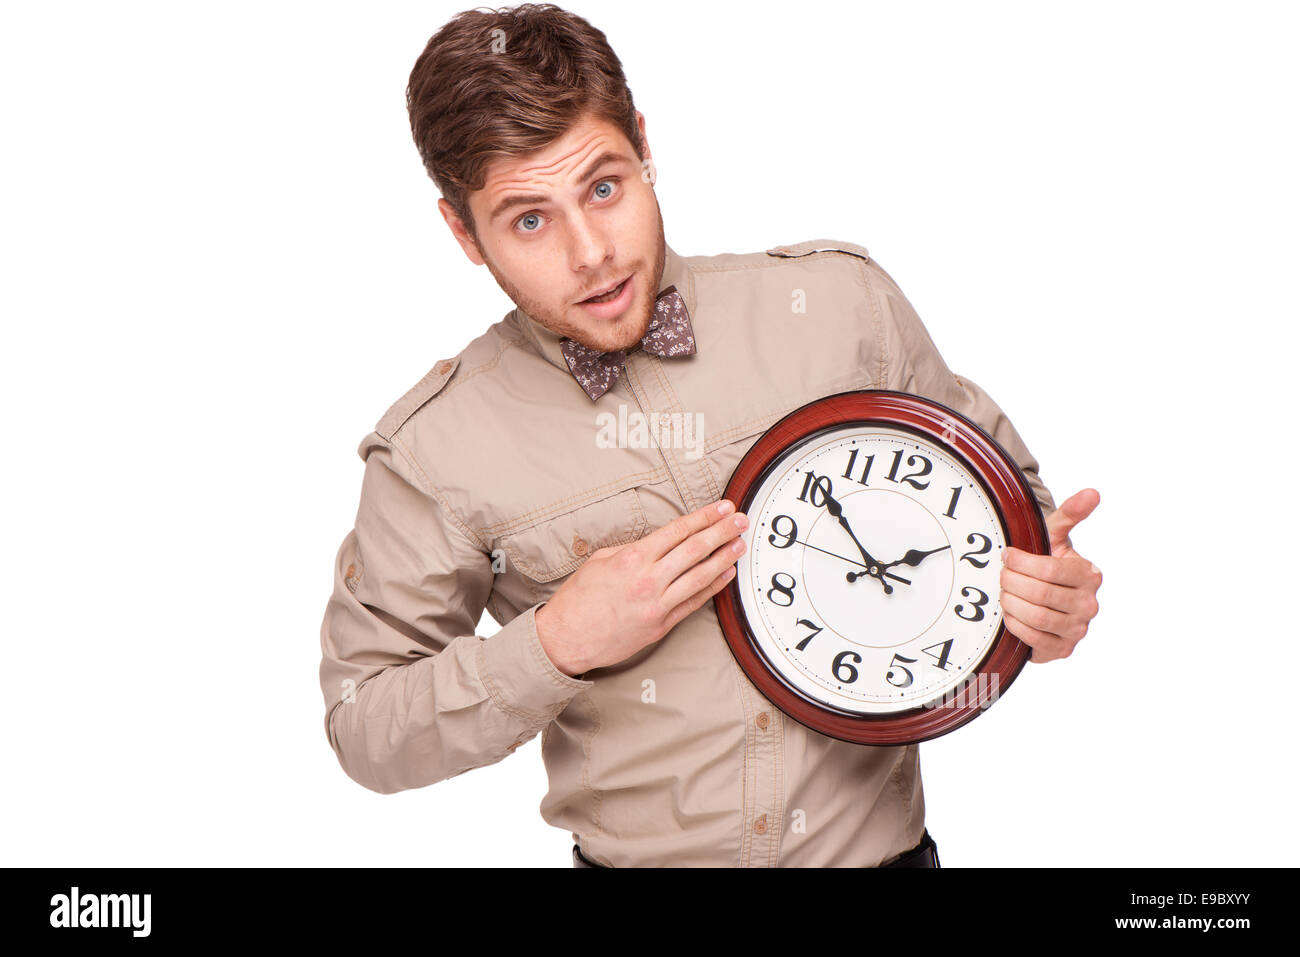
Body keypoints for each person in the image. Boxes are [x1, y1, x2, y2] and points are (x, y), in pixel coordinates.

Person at [317, 3, 1103, 868]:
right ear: (463, 231)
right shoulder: (434, 450)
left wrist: (1044, 606)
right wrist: (554, 643)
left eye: (604, 187)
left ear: (645, 145)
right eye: (529, 219)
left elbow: (1013, 520)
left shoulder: (840, 307)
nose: (591, 254)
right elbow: (366, 726)